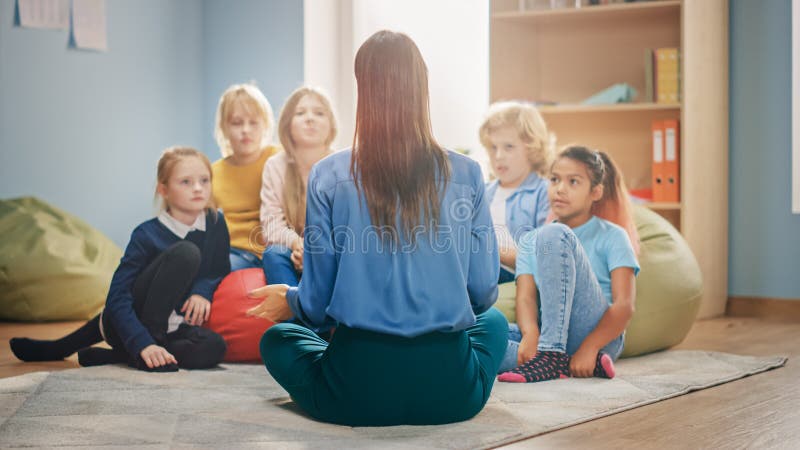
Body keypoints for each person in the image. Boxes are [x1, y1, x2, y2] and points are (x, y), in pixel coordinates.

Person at [246, 30, 508, 426]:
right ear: (422, 87)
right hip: (452, 393)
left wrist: (291, 297)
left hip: (354, 393)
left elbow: (315, 305)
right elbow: (485, 293)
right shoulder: (468, 173)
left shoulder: (327, 174)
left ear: (363, 88)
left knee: (278, 341)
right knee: (496, 323)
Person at [10, 147, 229, 372]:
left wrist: (202, 292)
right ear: (163, 190)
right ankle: (139, 349)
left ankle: (120, 355)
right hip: (129, 322)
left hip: (174, 326)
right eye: (186, 182)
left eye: (204, 180)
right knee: (186, 253)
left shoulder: (215, 223)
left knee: (215, 347)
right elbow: (117, 297)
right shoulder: (146, 234)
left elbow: (217, 269)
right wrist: (143, 344)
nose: (198, 188)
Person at [497, 145, 640, 382]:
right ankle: (558, 361)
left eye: (573, 182)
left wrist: (590, 348)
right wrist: (530, 334)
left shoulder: (613, 235)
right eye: (554, 180)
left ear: (595, 192)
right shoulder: (532, 239)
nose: (560, 189)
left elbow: (625, 305)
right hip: (545, 333)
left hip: (596, 334)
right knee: (477, 338)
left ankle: (552, 357)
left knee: (553, 233)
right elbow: (526, 297)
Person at [260, 86, 338, 286]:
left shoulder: (342, 165)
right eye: (300, 113)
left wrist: (315, 252)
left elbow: (348, 225)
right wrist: (297, 245)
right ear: (287, 125)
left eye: (319, 113)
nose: (310, 118)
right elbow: (271, 225)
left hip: (332, 251)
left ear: (330, 125)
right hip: (294, 249)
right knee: (273, 252)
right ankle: (294, 314)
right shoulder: (275, 166)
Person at [479, 101, 553, 283]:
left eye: (508, 147)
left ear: (533, 149)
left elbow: (544, 259)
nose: (498, 156)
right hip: (477, 268)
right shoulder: (483, 192)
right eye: (493, 147)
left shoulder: (544, 192)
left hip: (507, 273)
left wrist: (490, 249)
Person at [211, 83, 279, 271]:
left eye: (253, 122)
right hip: (225, 251)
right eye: (237, 123)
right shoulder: (212, 173)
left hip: (264, 252)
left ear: (265, 124)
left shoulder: (278, 159)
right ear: (224, 128)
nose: (245, 130)